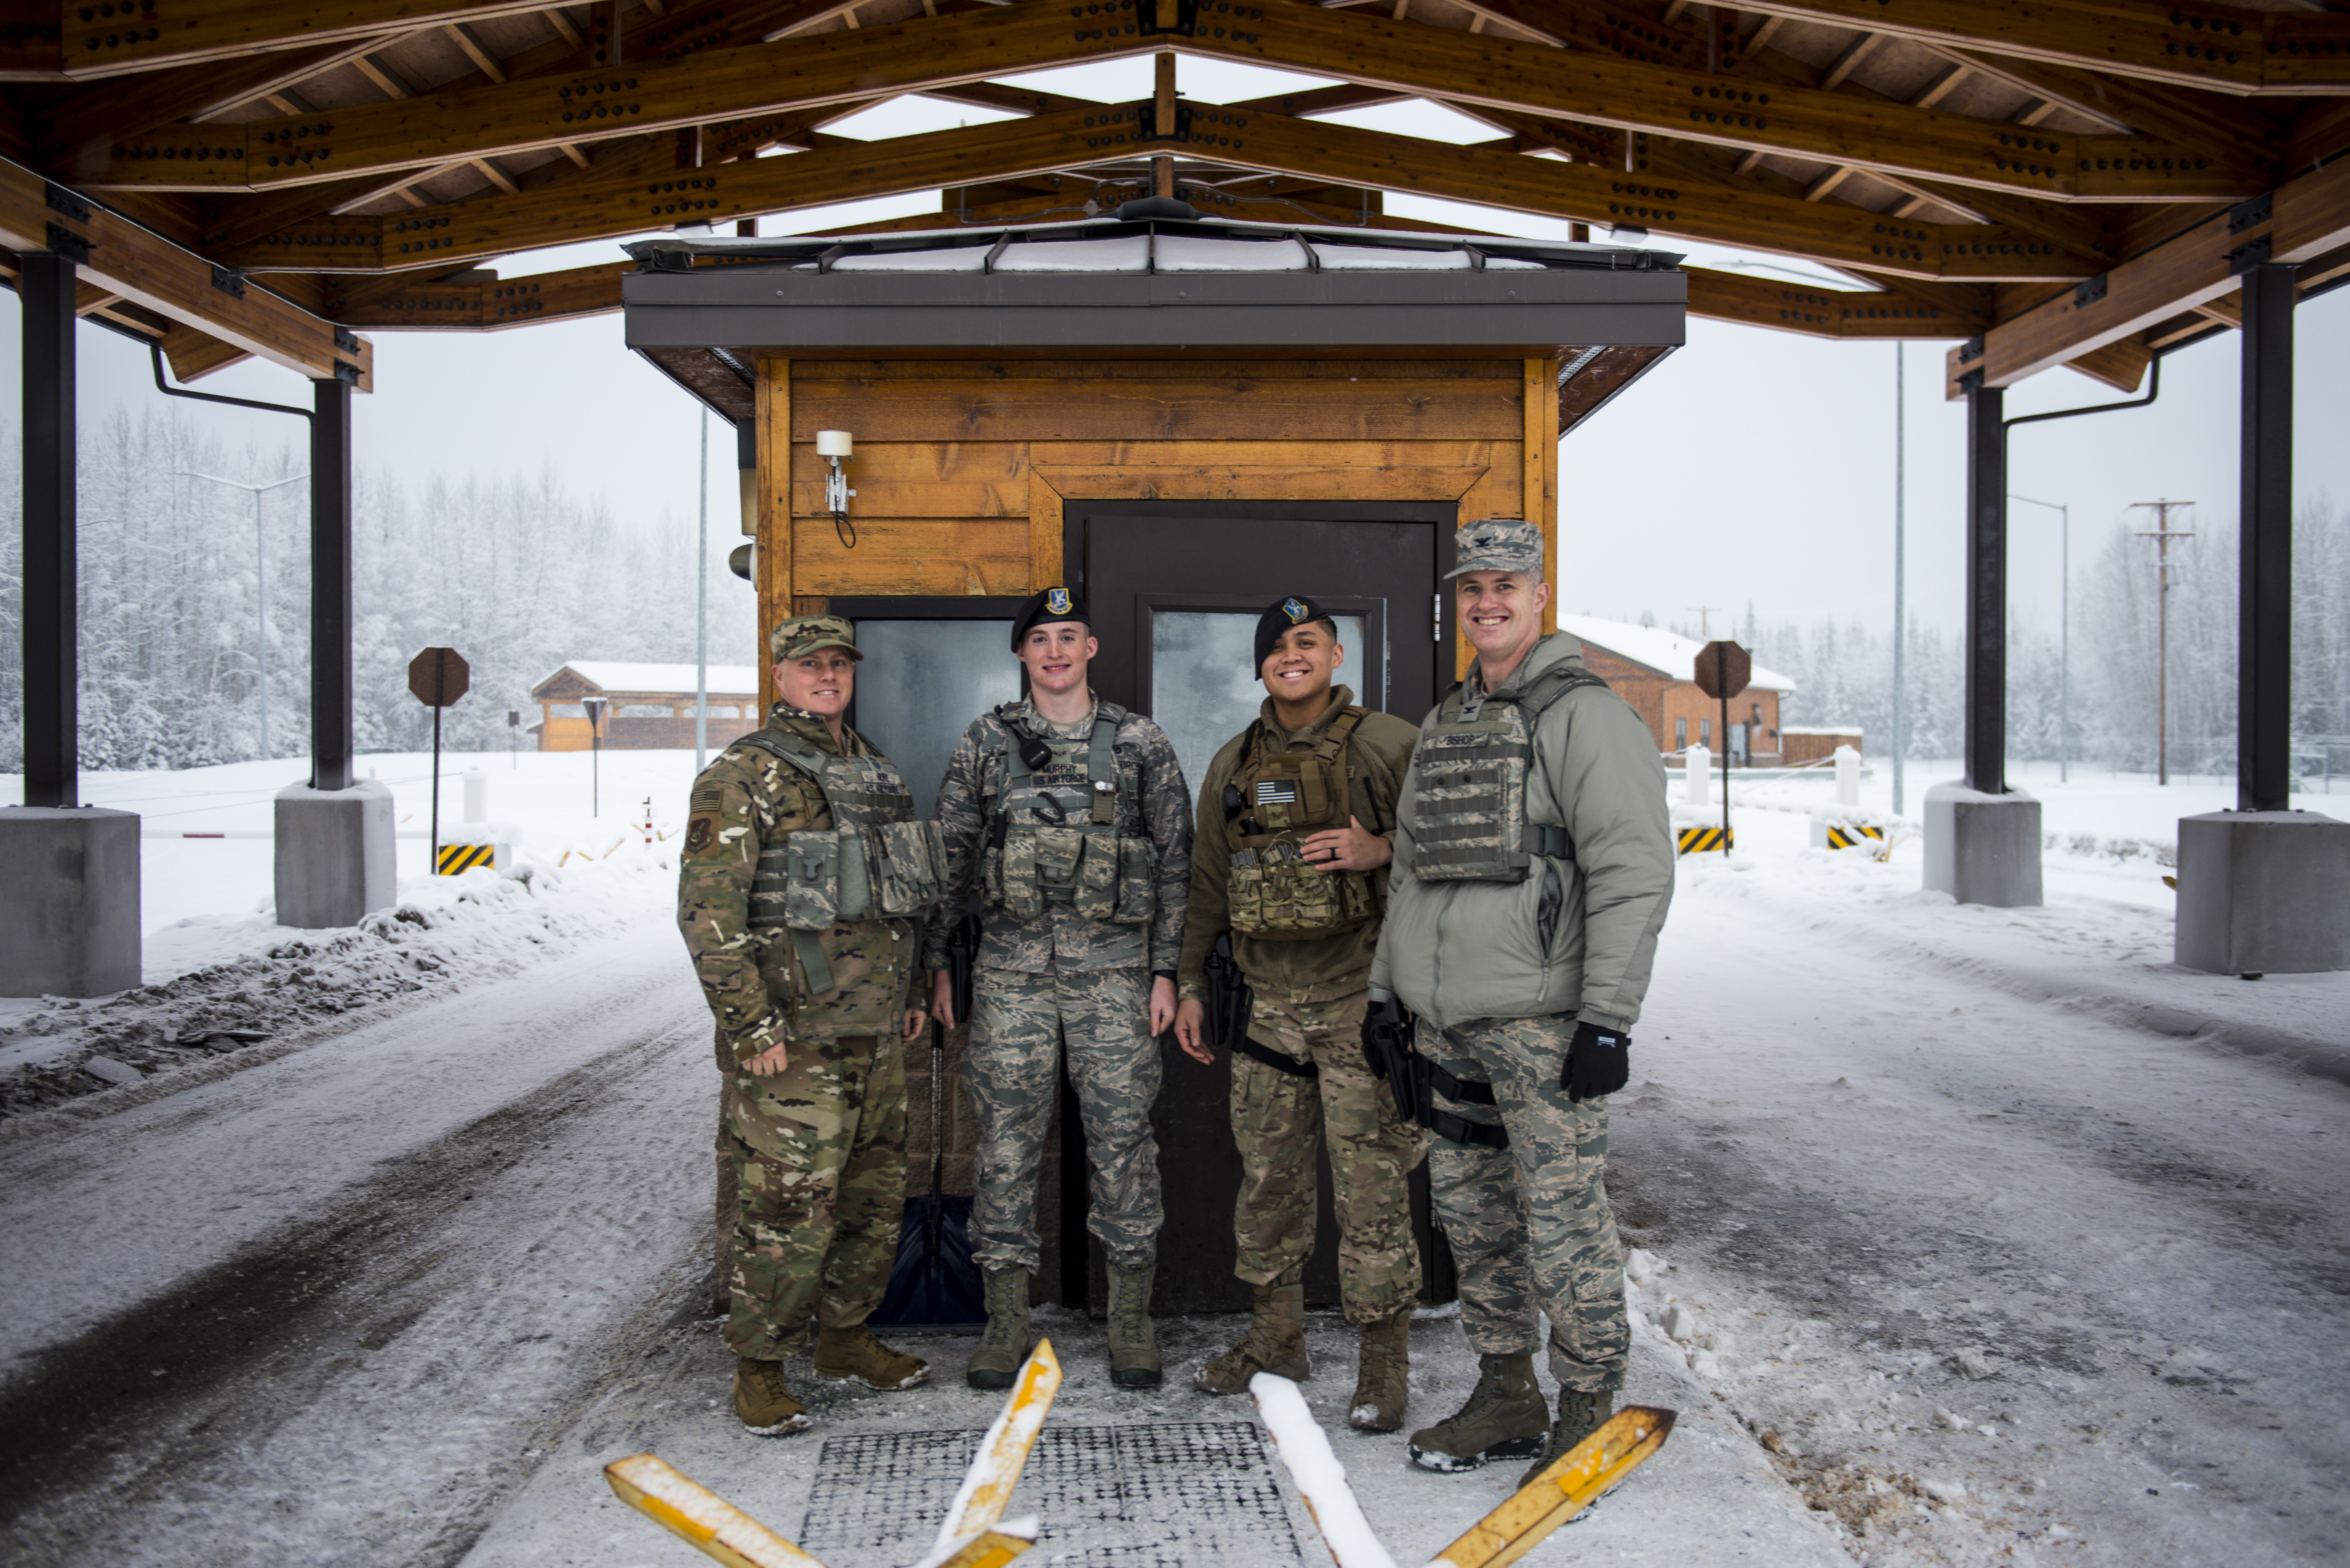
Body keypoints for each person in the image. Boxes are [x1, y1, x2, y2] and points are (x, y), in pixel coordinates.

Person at [1367, 520, 1675, 1481]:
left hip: (1544, 1025)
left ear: (1539, 594)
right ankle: (1507, 1389)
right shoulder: (1449, 723)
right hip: (1451, 1025)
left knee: (1564, 1217)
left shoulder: (1588, 717)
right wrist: (1388, 996)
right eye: (1470, 589)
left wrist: (1608, 1020)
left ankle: (1586, 1406)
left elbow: (1634, 871)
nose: (1486, 603)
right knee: (1473, 1216)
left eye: (1504, 585)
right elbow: (1412, 875)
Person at [678, 615, 941, 1435]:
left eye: (838, 664)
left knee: (870, 1201)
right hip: (792, 1045)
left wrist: (907, 992)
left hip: (872, 1033)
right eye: (809, 664)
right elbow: (706, 914)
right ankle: (759, 1366)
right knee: (788, 1211)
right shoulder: (742, 774)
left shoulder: (876, 773)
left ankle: (844, 1339)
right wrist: (751, 1028)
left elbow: (902, 898)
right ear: (781, 673)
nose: (827, 676)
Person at [926, 586, 1192, 1391]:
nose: (1054, 652)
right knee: (1005, 1145)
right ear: (1020, 654)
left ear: (1091, 649)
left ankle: (1129, 1318)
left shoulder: (1140, 743)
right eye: (1039, 639)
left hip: (1115, 978)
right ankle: (1005, 1318)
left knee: (1122, 1141)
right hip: (1010, 975)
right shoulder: (985, 740)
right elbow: (952, 852)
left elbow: (1176, 862)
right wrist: (938, 961)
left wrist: (1165, 970)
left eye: (1068, 636)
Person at [1173, 595, 1427, 1431]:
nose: (1292, 656)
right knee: (1269, 1186)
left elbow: (1456, 856)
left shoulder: (1389, 746)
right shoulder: (1230, 763)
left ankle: (1381, 1364)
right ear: (1259, 666)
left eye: (1307, 642)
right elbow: (1208, 884)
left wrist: (1380, 849)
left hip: (1364, 1006)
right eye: (1276, 647)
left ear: (1335, 657)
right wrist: (1190, 984)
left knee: (1373, 1192)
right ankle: (1276, 1335)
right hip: (1267, 1009)